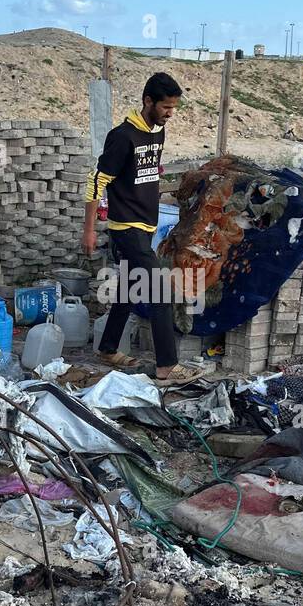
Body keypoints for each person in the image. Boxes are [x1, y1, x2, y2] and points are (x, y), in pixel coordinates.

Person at [84, 71, 193, 382]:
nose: (170, 114)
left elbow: (146, 175)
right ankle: (167, 366)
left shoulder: (157, 131)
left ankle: (107, 349)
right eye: (165, 107)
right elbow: (97, 181)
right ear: (148, 101)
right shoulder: (123, 136)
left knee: (130, 289)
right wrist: (89, 230)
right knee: (159, 289)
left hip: (146, 226)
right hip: (125, 228)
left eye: (174, 108)